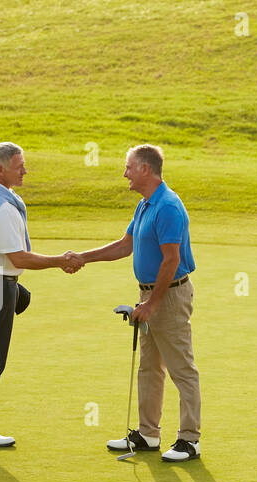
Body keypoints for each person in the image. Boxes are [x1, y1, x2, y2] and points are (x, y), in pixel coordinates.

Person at [0, 142, 83, 446]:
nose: (25, 170)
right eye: (19, 165)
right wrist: (61, 261)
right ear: (0, 169)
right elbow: (19, 258)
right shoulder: (2, 207)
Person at [78, 144, 200, 462]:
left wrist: (153, 304)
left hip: (169, 295)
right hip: (151, 294)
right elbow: (124, 246)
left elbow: (171, 261)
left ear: (145, 169)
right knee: (149, 368)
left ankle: (189, 440)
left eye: (128, 167)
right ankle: (148, 434)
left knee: (181, 369)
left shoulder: (168, 207)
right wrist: (82, 258)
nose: (125, 173)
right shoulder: (145, 205)